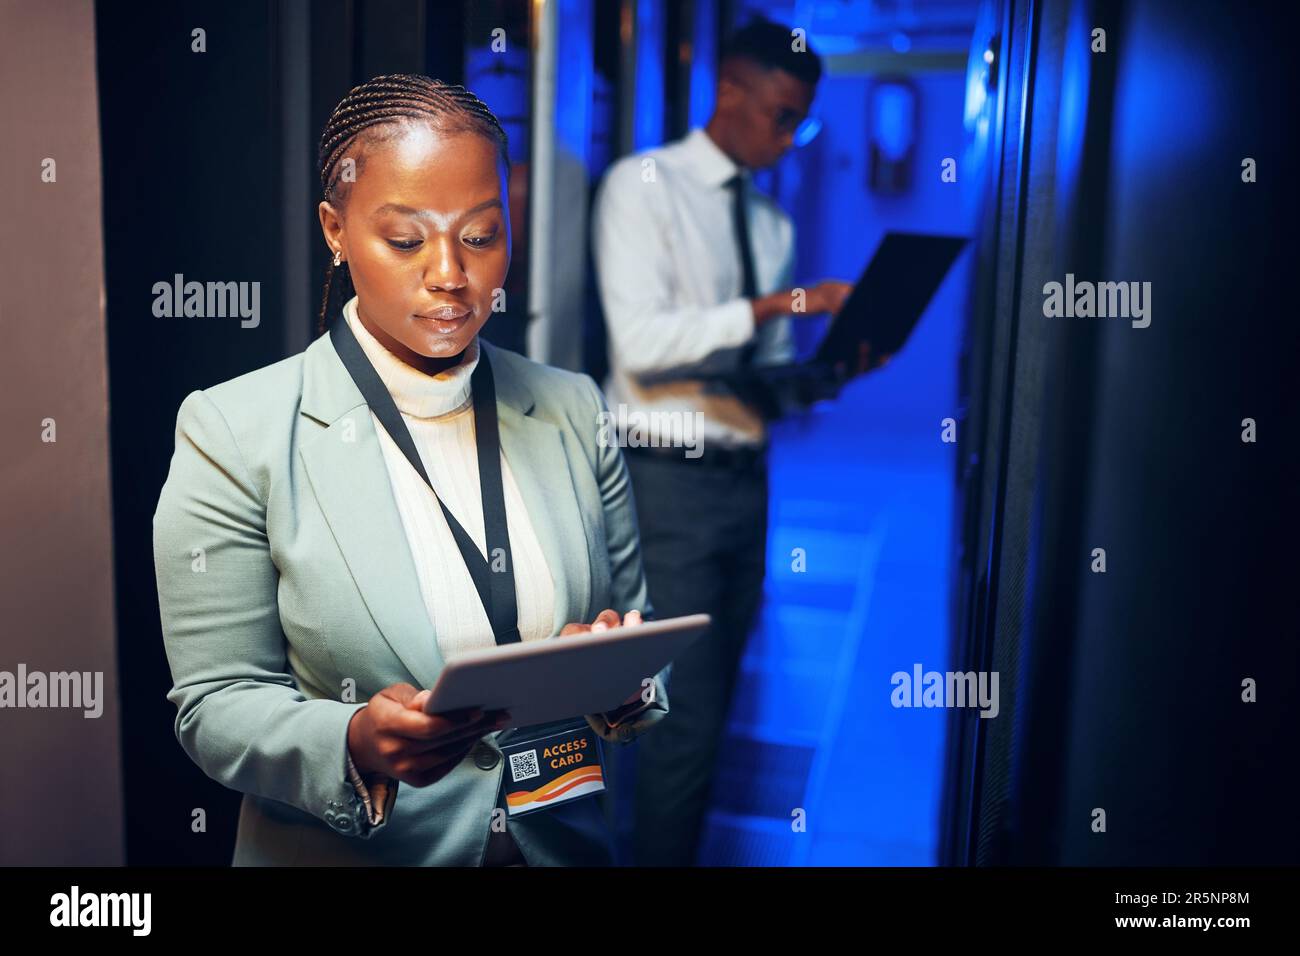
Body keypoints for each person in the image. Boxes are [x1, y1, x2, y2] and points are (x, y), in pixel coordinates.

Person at [153, 74, 668, 866]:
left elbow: (638, 638)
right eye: (405, 240)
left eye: (480, 234)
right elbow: (214, 705)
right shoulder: (234, 431)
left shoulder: (570, 407)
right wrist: (353, 739)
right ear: (335, 229)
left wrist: (622, 683)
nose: (449, 275)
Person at [590, 18, 862, 866]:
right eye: (781, 116)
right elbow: (641, 344)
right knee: (681, 718)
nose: (789, 138)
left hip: (747, 481)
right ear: (730, 93)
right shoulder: (644, 187)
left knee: (712, 705)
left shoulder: (772, 226)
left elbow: (759, 374)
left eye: (801, 122)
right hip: (662, 481)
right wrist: (783, 307)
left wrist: (839, 366)